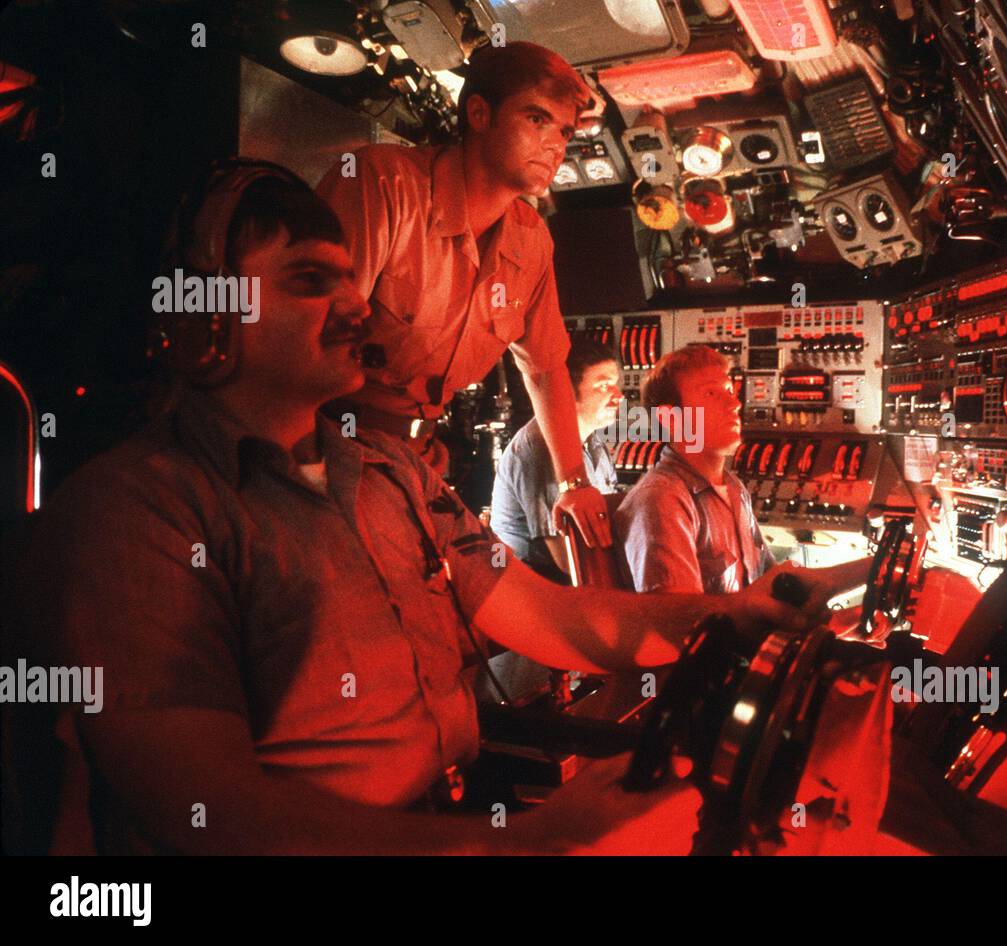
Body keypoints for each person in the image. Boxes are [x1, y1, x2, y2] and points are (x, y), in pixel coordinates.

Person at [11, 160, 829, 855]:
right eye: (308, 281)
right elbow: (214, 815)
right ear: (205, 316)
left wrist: (731, 614)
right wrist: (526, 846)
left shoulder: (390, 474)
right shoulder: (137, 511)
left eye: (348, 279)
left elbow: (560, 620)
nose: (358, 307)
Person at [315, 41, 614, 552]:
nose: (555, 145)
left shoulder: (532, 240)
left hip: (412, 456)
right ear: (480, 113)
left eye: (564, 131)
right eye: (537, 119)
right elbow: (309, 338)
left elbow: (545, 368)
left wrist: (574, 484)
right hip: (327, 444)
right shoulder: (383, 185)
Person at [616, 345, 777, 594]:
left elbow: (772, 583)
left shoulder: (734, 488)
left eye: (730, 390)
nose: (734, 403)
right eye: (712, 394)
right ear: (671, 419)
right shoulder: (660, 499)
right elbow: (679, 618)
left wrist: (856, 575)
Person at [490, 336, 620, 582]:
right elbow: (569, 562)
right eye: (604, 386)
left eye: (616, 385)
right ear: (566, 393)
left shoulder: (593, 442)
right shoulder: (539, 450)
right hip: (536, 586)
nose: (619, 396)